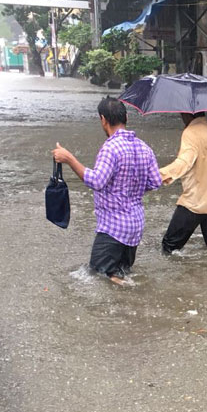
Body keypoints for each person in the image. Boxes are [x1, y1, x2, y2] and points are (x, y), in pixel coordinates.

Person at [52, 98, 162, 284]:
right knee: (119, 276)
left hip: (113, 229)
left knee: (95, 279)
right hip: (135, 228)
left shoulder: (110, 148)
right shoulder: (144, 148)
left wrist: (69, 158)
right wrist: (130, 190)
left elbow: (96, 181)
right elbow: (155, 182)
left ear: (103, 119)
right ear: (126, 117)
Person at [159, 112, 207, 254]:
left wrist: (158, 175)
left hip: (195, 202)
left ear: (186, 113)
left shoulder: (191, 132)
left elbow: (184, 162)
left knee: (169, 246)